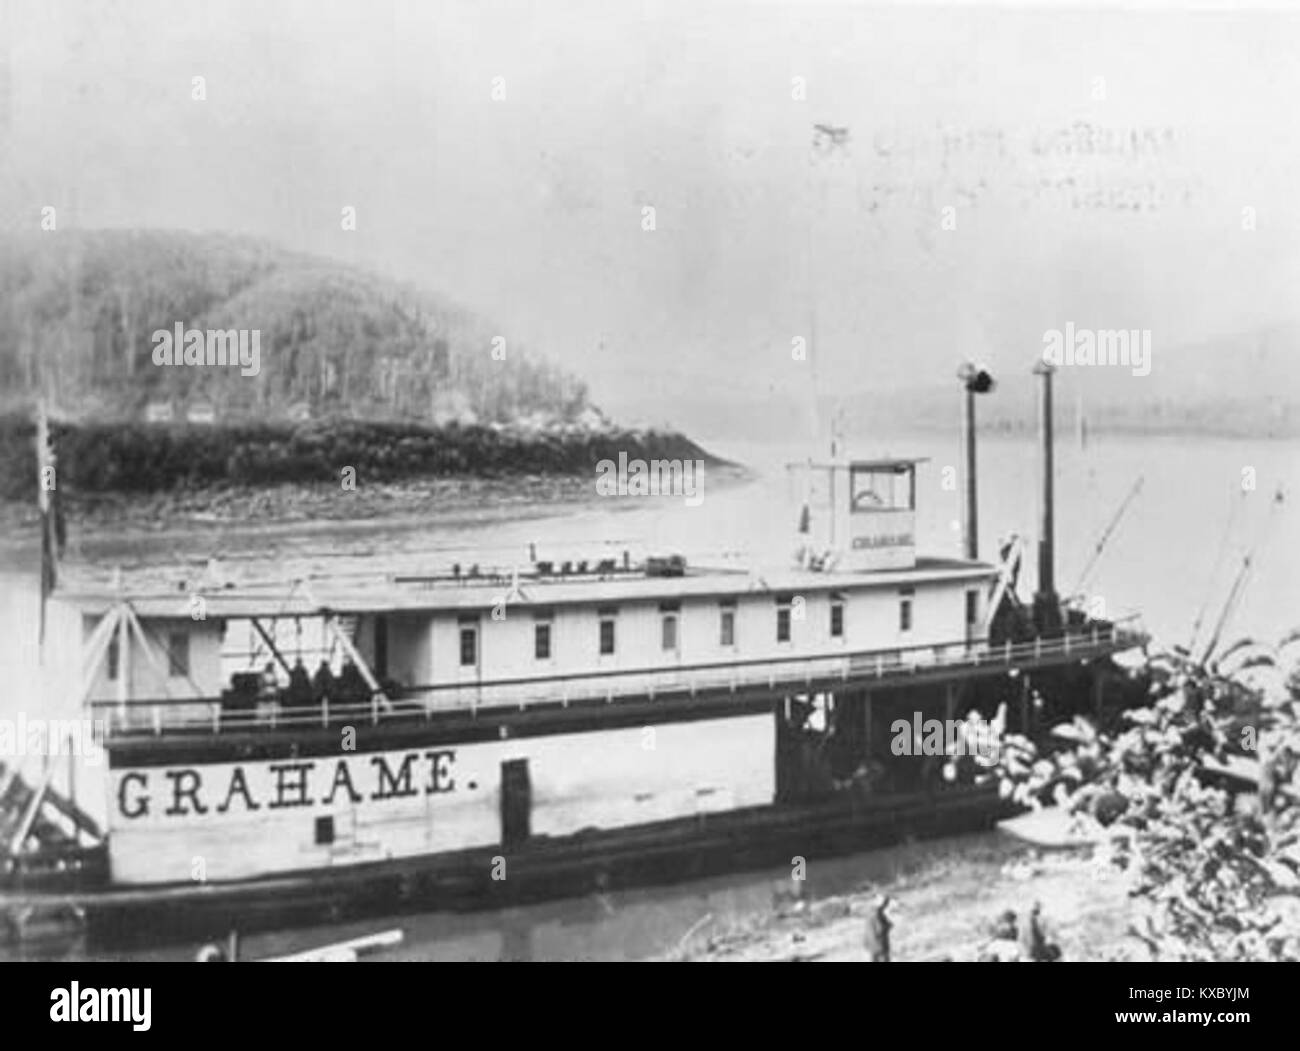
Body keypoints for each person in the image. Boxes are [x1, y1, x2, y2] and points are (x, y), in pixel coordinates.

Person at [864, 894, 893, 962]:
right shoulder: (876, 915)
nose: (886, 905)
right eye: (885, 903)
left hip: (874, 946)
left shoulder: (877, 914)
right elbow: (879, 929)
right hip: (878, 947)